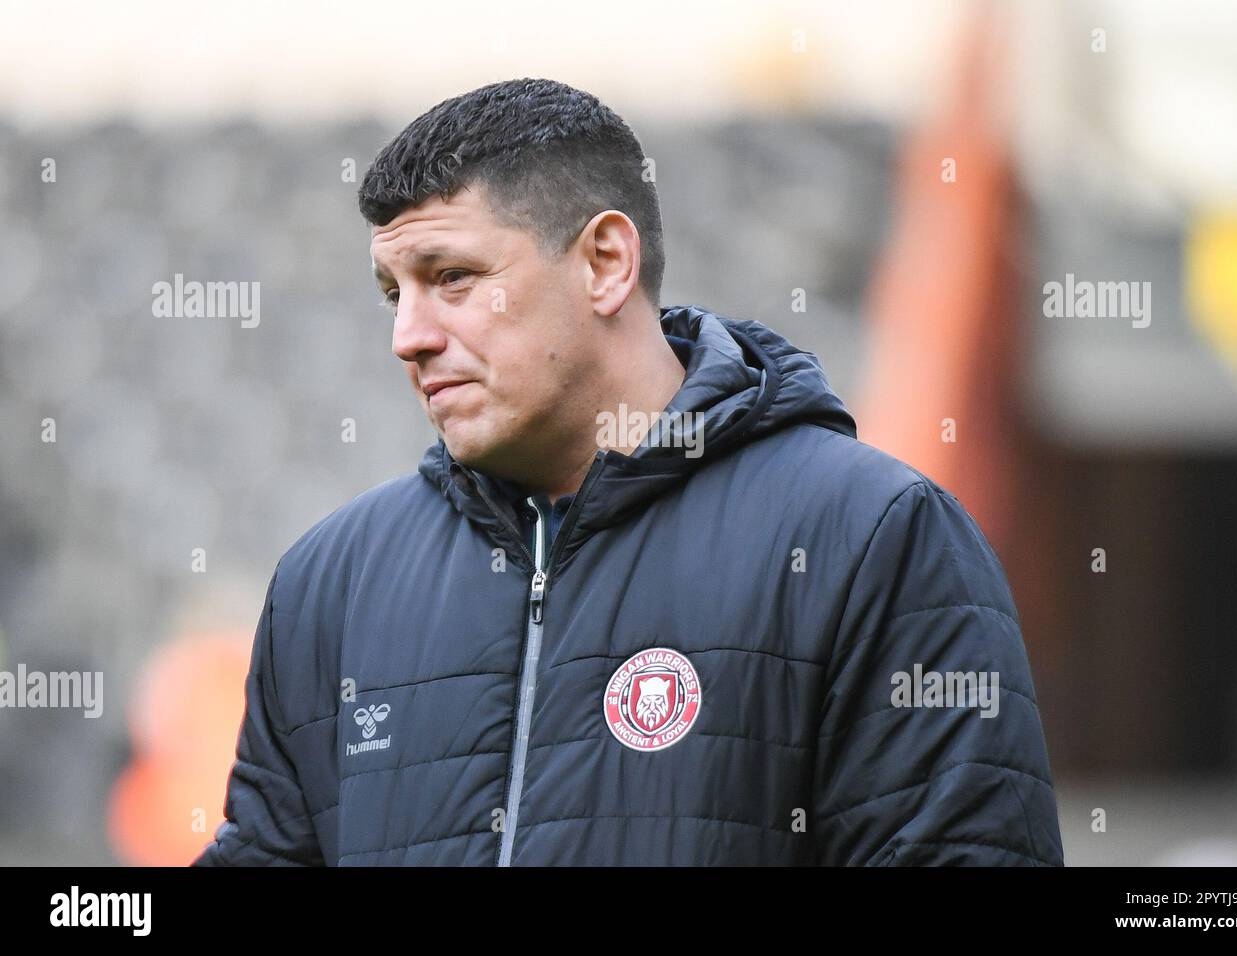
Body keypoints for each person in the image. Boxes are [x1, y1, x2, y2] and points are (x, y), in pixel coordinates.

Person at [193, 77, 1064, 866]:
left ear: (606, 262)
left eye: (452, 277)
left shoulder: (872, 537)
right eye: (395, 292)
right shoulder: (331, 584)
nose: (408, 336)